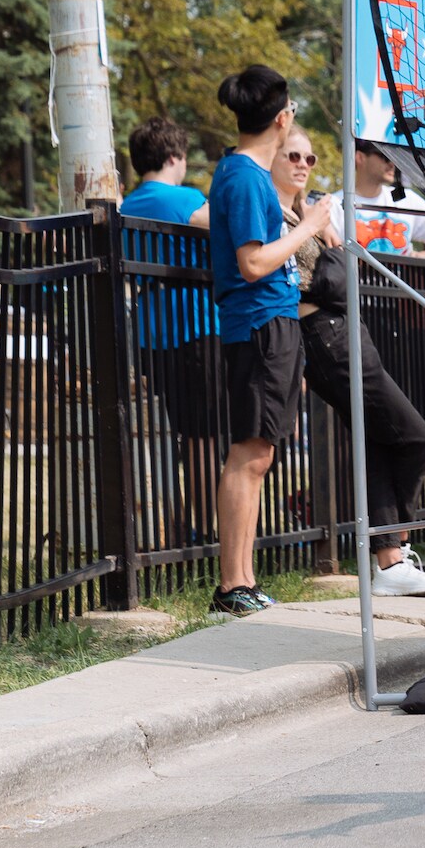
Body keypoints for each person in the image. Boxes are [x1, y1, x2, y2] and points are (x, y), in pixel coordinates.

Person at [275, 126, 425, 598]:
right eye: (293, 155)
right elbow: (327, 283)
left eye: (309, 159)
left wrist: (326, 237)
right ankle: (393, 552)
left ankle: (389, 563)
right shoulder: (284, 213)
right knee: (416, 439)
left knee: (383, 442)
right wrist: (328, 240)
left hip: (345, 331)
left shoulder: (303, 212)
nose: (304, 165)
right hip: (326, 337)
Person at [208, 66, 335, 615]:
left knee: (260, 456)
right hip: (258, 325)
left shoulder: (254, 177)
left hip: (273, 325)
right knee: (249, 453)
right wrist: (309, 227)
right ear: (282, 119)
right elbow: (253, 262)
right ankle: (230, 587)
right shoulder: (241, 177)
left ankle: (244, 580)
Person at [121, 117, 222, 548]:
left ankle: (173, 522)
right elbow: (231, 228)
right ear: (174, 157)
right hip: (195, 326)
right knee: (203, 436)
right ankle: (208, 529)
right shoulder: (184, 198)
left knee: (169, 435)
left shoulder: (125, 206)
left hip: (149, 332)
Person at [334, 140, 425, 260]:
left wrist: (423, 256)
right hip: (355, 286)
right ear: (360, 157)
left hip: (400, 285)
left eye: (394, 157)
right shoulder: (334, 204)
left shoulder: (407, 200)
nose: (392, 163)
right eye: (384, 156)